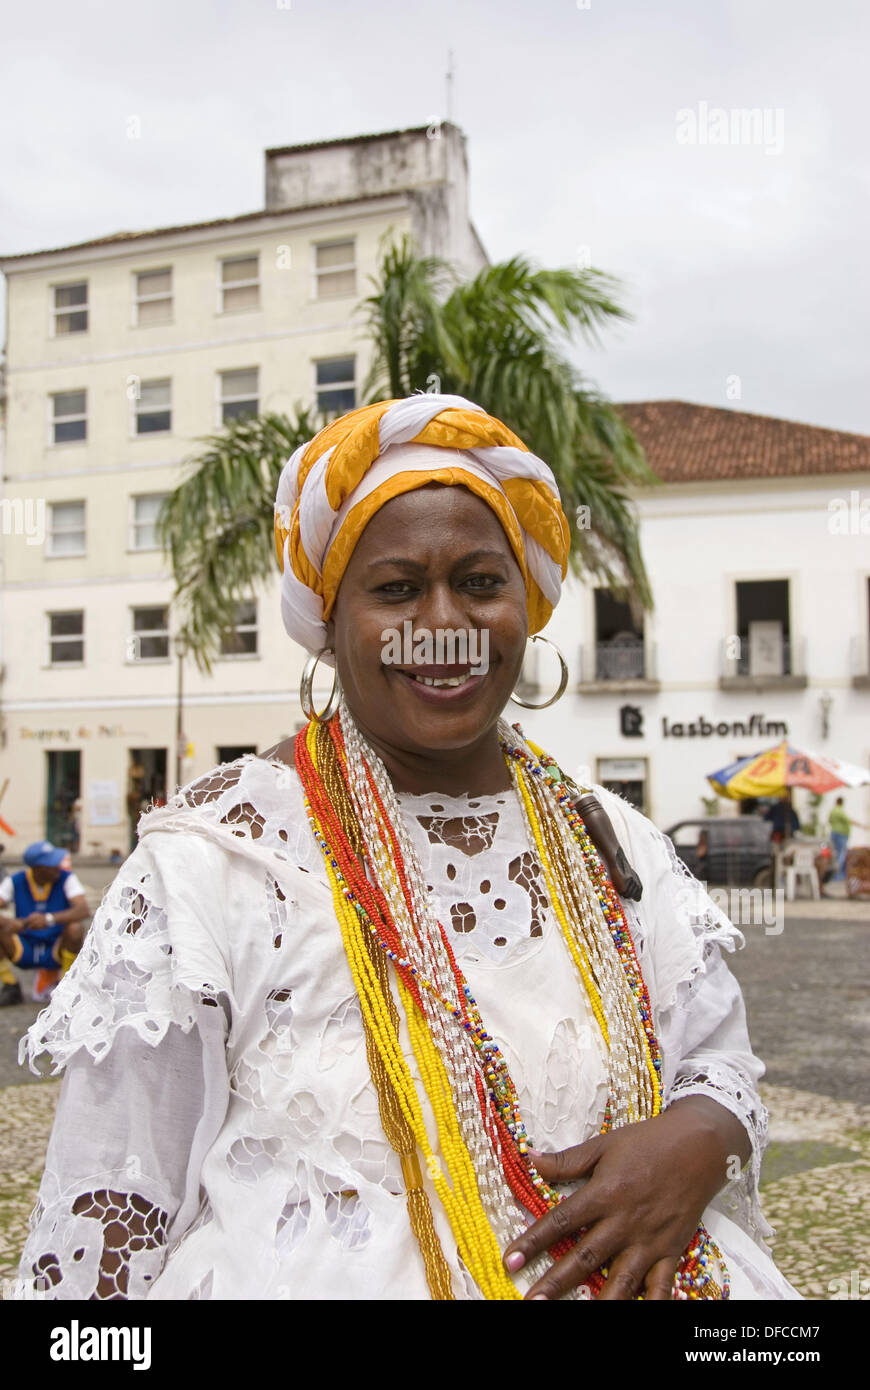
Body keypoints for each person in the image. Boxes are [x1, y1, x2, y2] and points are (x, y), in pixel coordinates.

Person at [15, 394, 799, 1301]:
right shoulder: (218, 859)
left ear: (527, 604)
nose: (442, 623)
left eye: (479, 582)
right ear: (329, 620)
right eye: (395, 590)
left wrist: (697, 1137)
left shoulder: (615, 841)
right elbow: (115, 1199)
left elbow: (719, 1055)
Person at [0, 841, 89, 1007]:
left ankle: (66, 984)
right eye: (52, 864)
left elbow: (83, 910)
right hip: (24, 945)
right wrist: (12, 922)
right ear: (39, 869)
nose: (58, 866)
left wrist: (49, 919)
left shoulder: (66, 877)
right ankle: (10, 985)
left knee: (76, 927)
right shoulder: (16, 881)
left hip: (56, 945)